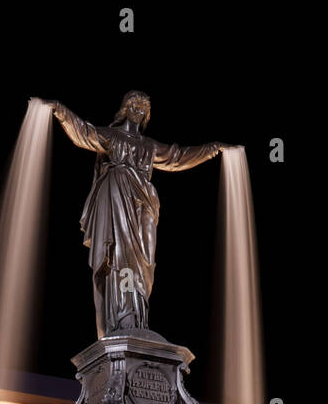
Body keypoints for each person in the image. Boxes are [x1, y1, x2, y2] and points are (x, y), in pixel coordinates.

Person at [43, 92, 224, 337]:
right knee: (120, 254)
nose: (140, 108)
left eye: (145, 106)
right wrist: (60, 110)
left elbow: (178, 157)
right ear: (125, 109)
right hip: (117, 194)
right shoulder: (112, 136)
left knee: (145, 261)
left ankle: (138, 316)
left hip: (145, 202)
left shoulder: (149, 146)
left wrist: (214, 149)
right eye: (135, 104)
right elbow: (83, 132)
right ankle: (123, 317)